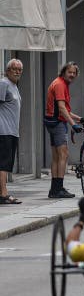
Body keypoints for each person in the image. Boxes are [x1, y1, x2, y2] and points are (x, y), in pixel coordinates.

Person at [45, 62, 83, 197]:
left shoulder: (59, 83)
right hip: (57, 123)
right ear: (63, 72)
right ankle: (59, 188)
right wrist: (74, 124)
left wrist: (79, 119)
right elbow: (61, 108)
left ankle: (54, 189)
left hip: (52, 121)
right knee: (63, 154)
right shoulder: (60, 84)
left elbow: (64, 109)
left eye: (74, 73)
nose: (72, 75)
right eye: (70, 72)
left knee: (56, 156)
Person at [0, 59, 22, 204]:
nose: (17, 72)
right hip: (3, 130)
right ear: (8, 70)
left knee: (7, 164)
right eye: (14, 69)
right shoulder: (3, 83)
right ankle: (3, 194)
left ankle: (3, 192)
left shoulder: (14, 86)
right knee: (4, 163)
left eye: (19, 69)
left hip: (12, 130)